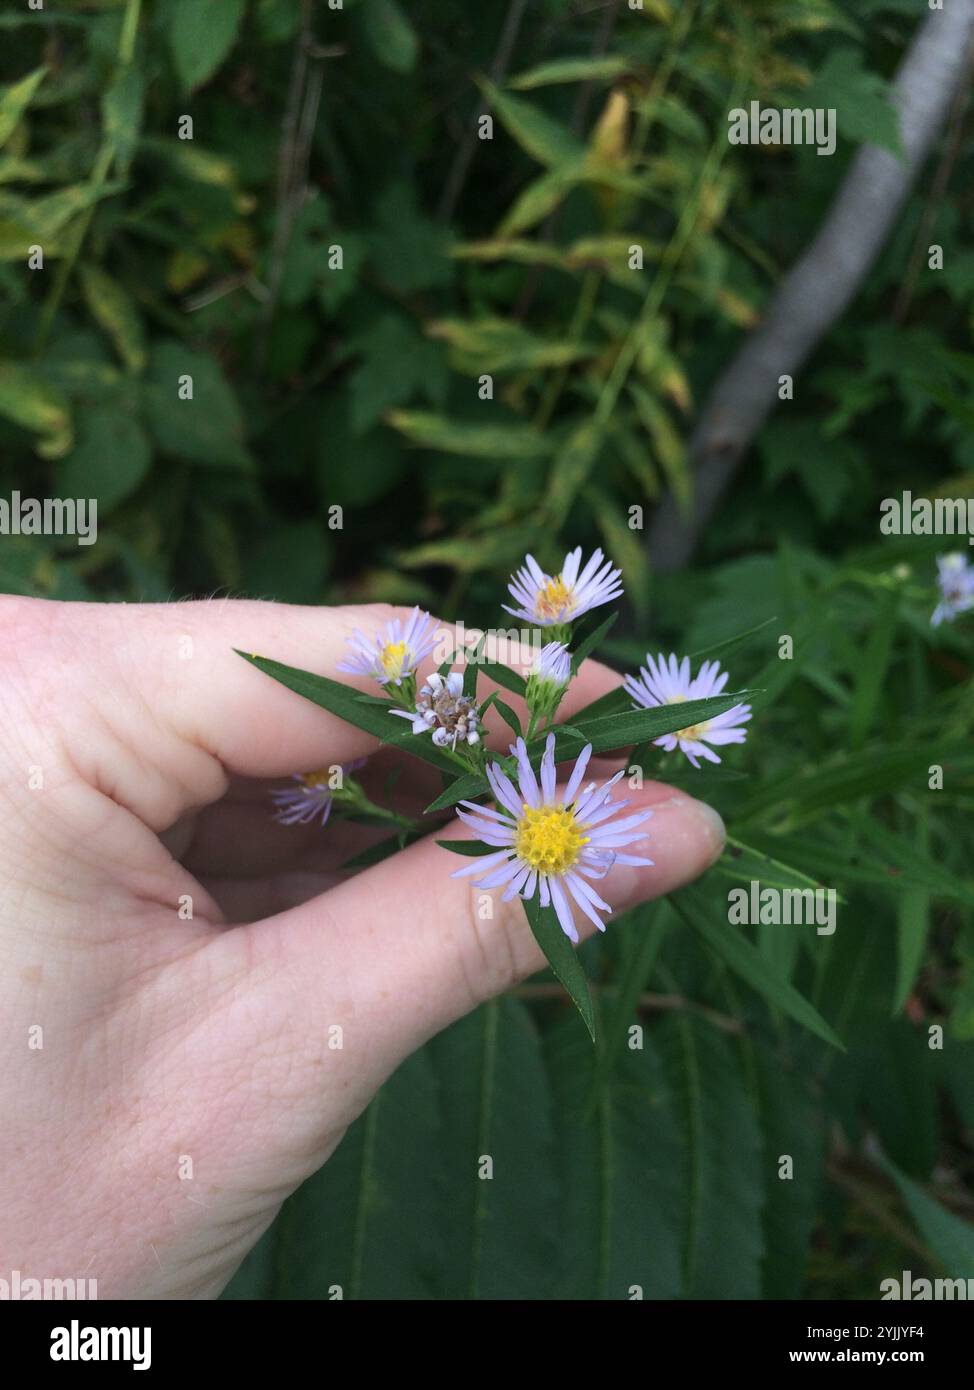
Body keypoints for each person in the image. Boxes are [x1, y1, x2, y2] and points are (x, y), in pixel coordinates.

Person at [0, 596, 725, 1299]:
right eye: (545, 831)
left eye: (549, 831)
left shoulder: (552, 814)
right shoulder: (514, 816)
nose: (548, 833)